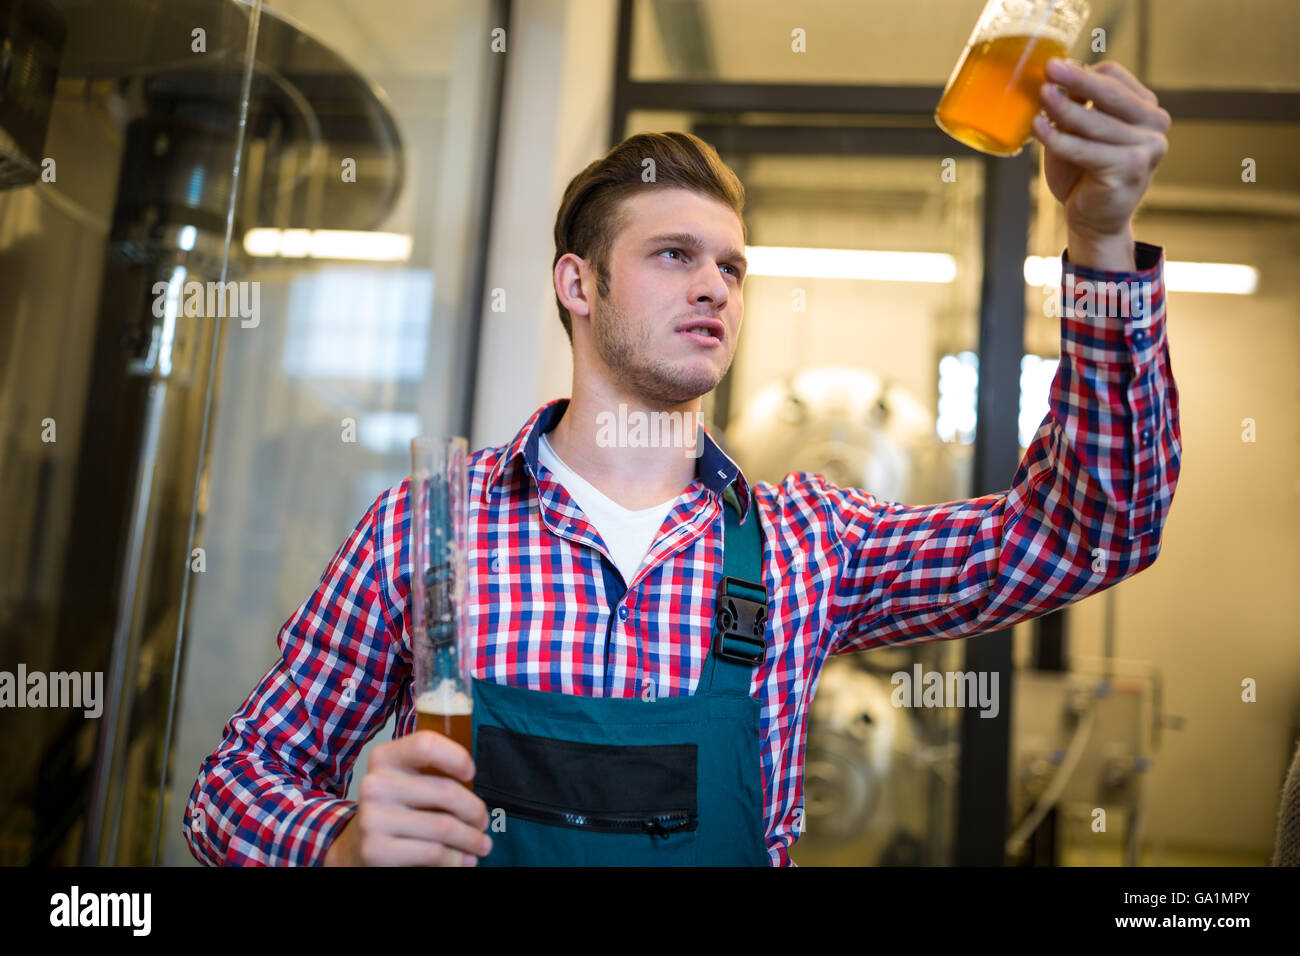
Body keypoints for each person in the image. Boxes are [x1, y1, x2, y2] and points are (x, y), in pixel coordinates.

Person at [184, 57, 1179, 867]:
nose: (715, 287)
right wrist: (341, 844)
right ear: (578, 283)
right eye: (674, 255)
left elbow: (1091, 532)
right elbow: (235, 785)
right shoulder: (429, 527)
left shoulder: (809, 542)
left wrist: (1100, 241)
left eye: (731, 267)